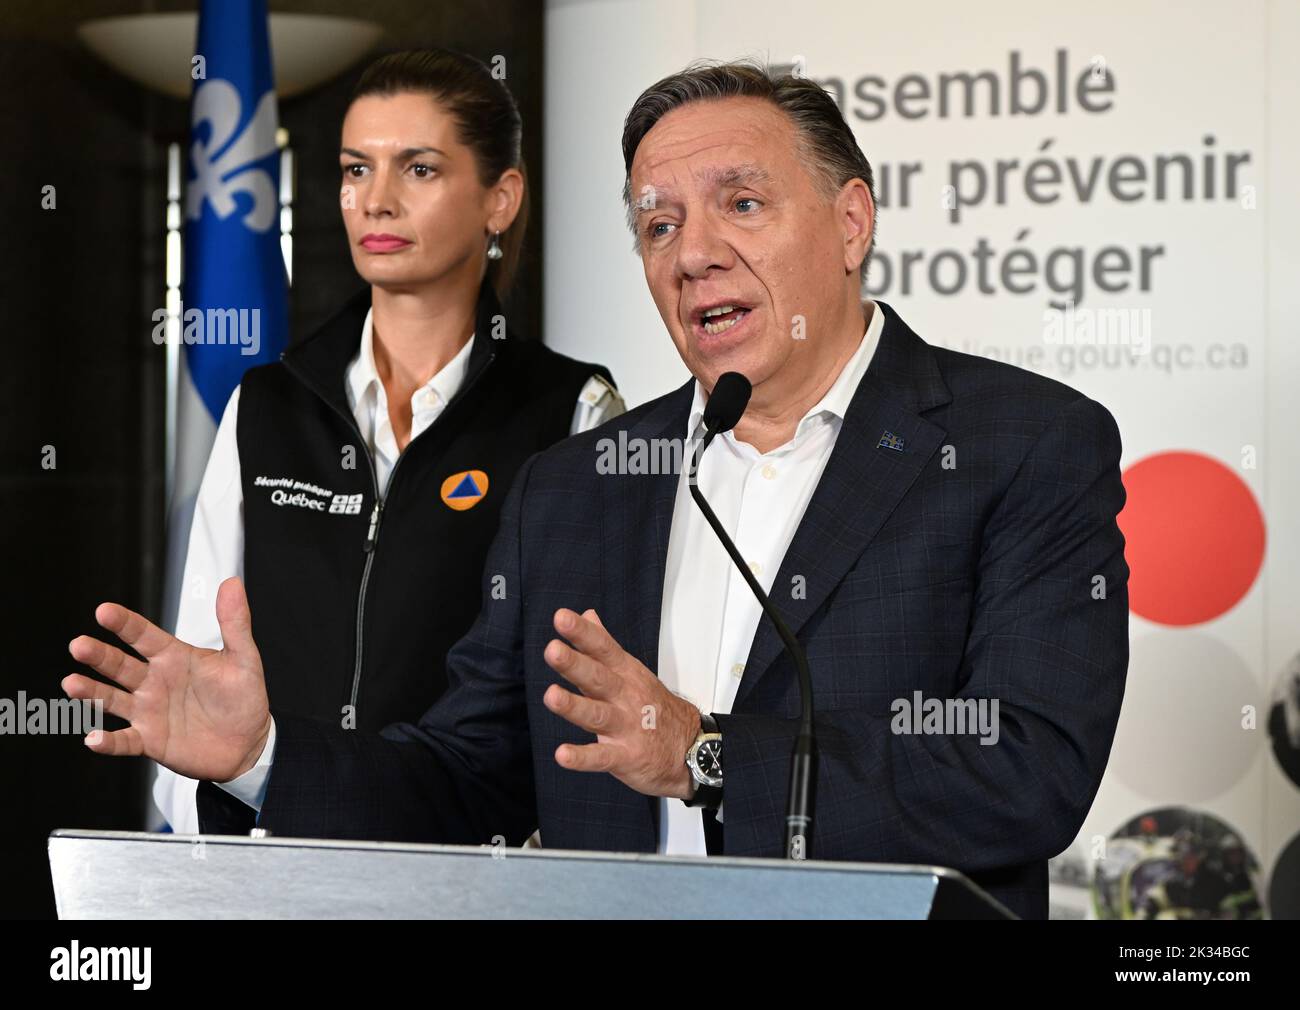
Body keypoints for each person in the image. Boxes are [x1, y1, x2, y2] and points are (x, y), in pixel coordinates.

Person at [67, 59, 1128, 920]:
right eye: (656, 224)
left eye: (741, 205)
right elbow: (464, 779)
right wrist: (261, 754)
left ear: (851, 222)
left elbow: (1026, 768)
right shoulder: (574, 487)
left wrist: (707, 755)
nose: (693, 254)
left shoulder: (1022, 444)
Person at [152, 49, 624, 832]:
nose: (375, 201)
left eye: (419, 169)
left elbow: (571, 707)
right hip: (273, 872)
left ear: (499, 199)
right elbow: (199, 673)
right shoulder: (267, 405)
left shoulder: (572, 413)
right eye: (354, 169)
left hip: (473, 884)